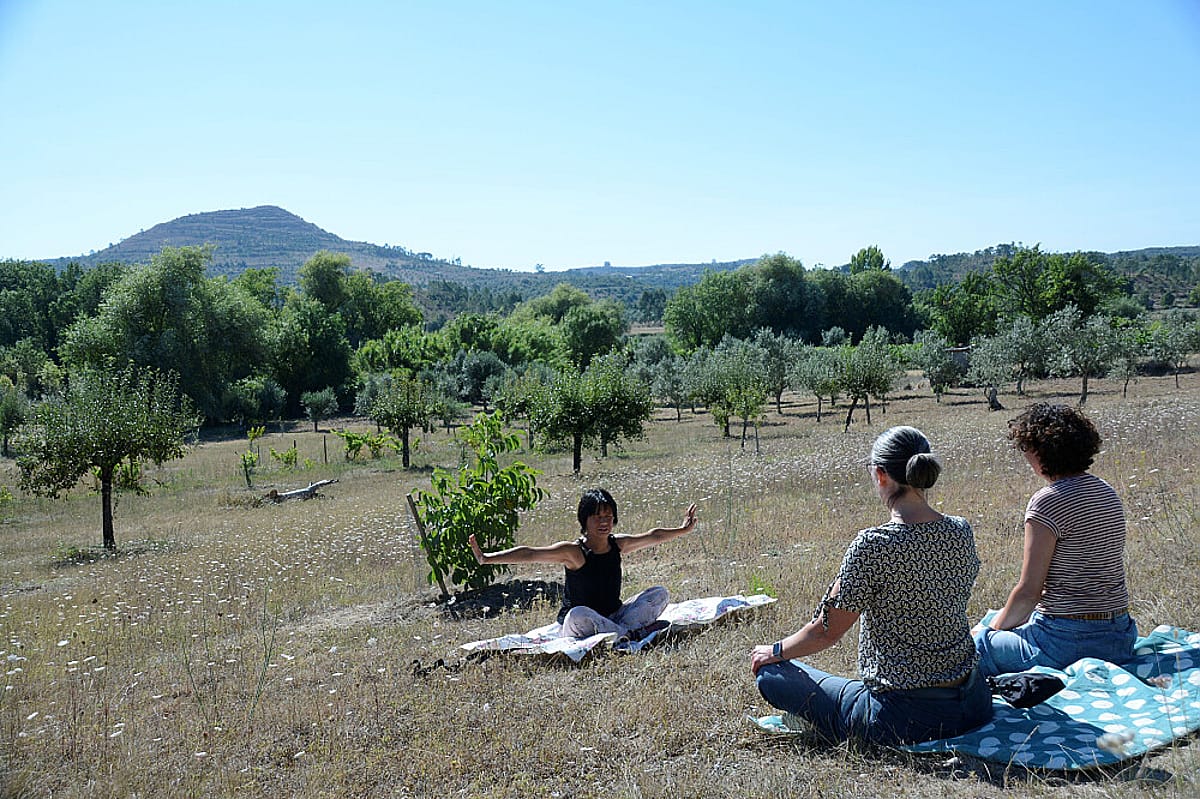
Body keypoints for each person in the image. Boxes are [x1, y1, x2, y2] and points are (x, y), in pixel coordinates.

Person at [750, 426, 992, 745]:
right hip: (975, 703)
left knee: (772, 677)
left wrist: (775, 651)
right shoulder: (961, 531)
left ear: (880, 475)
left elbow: (826, 630)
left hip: (904, 717)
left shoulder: (874, 545)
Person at [974, 403, 1137, 677]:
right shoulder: (1106, 491)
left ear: (1039, 452)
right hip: (1120, 636)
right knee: (994, 617)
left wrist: (988, 636)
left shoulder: (1047, 502)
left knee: (975, 643)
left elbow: (1028, 592)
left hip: (1066, 640)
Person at [468, 488, 698, 639]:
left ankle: (621, 633)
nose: (604, 522)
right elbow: (530, 554)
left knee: (659, 594)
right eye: (597, 517)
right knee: (578, 614)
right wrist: (487, 558)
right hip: (580, 625)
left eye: (608, 517)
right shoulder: (575, 553)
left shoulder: (618, 544)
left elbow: (653, 536)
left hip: (612, 617)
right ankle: (632, 635)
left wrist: (683, 529)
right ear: (585, 520)